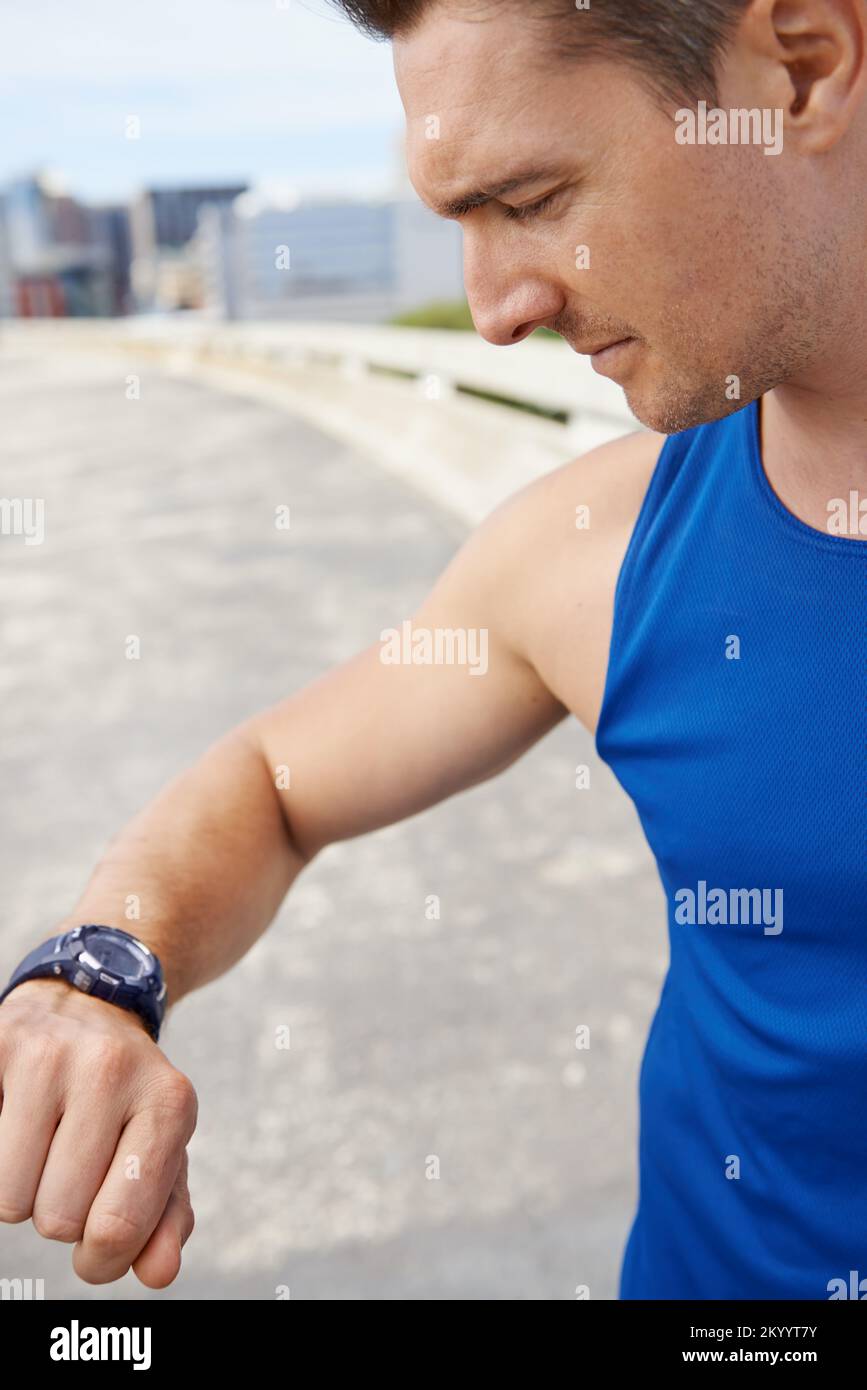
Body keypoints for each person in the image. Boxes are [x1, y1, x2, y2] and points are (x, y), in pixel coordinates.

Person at [1, 0, 864, 1298]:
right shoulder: (599, 552)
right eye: (458, 220)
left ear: (801, 69)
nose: (494, 311)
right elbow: (274, 783)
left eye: (530, 196)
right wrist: (95, 976)